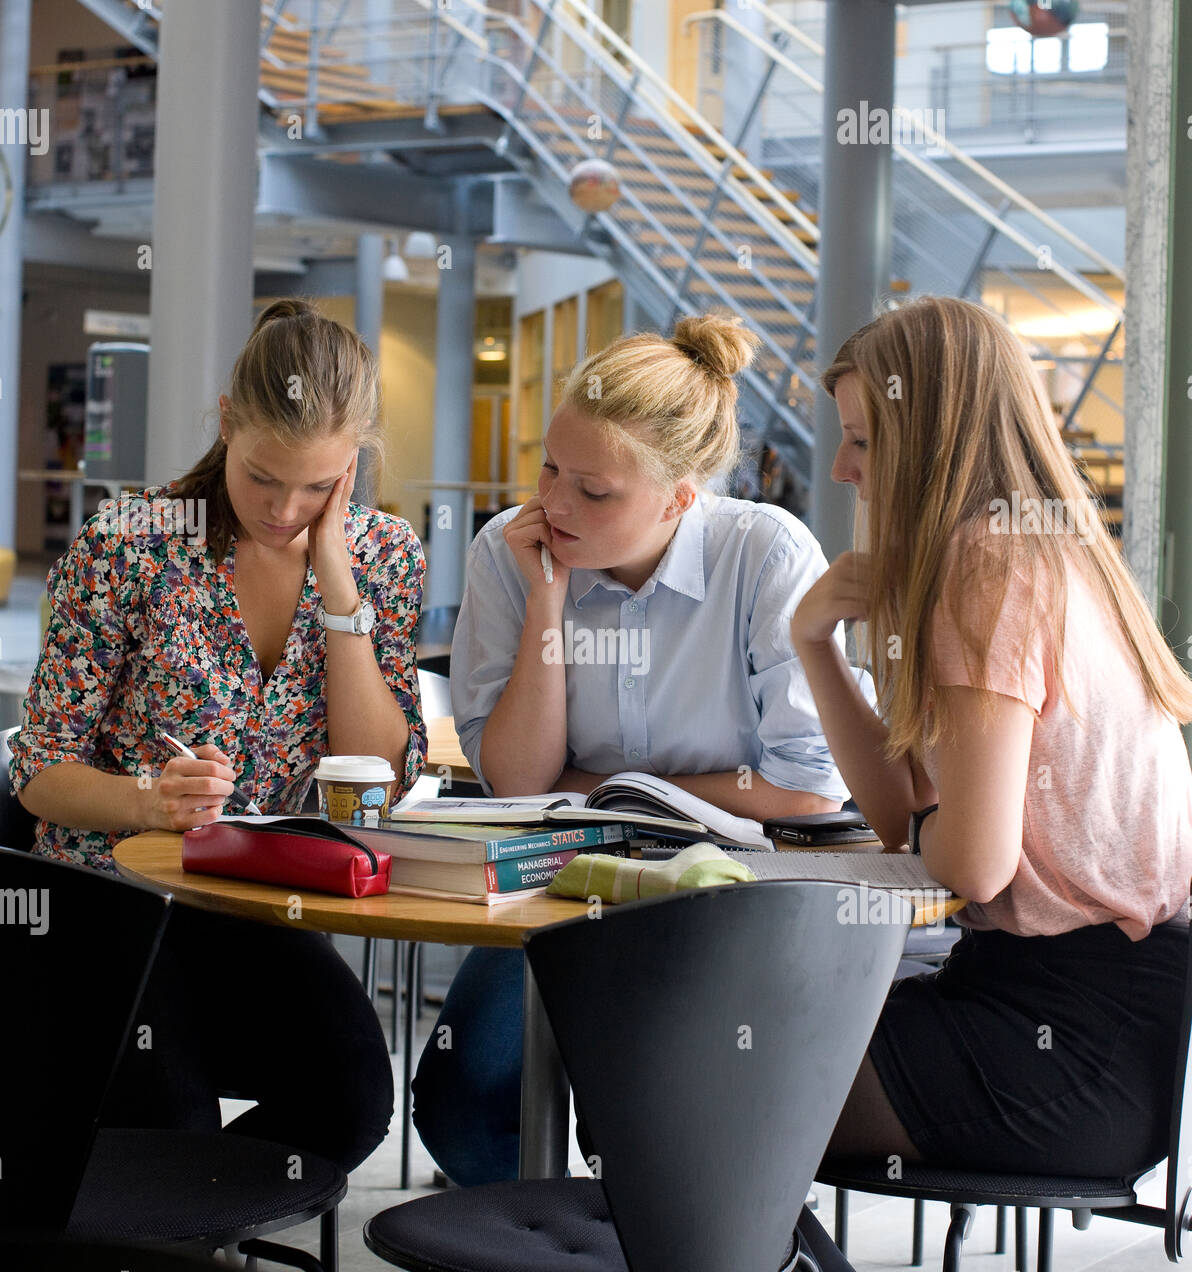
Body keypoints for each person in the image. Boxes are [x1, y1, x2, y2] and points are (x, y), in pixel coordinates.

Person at [413, 313, 871, 1186]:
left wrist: (599, 784)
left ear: (680, 497)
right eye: (551, 468)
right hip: (562, 877)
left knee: (667, 1105)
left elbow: (808, 788)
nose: (554, 504)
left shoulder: (764, 553)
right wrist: (547, 603)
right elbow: (516, 778)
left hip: (727, 893)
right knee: (460, 1096)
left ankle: (635, 1256)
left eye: (595, 492)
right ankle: (554, 1261)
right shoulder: (510, 552)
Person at [10, 298, 427, 1172]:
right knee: (170, 1114)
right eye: (263, 477)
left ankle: (192, 1221)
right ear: (229, 424)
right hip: (105, 898)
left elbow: (379, 771)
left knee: (353, 1095)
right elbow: (40, 771)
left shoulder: (385, 556)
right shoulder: (128, 545)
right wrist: (147, 801)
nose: (284, 509)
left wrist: (340, 590)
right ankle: (161, 1227)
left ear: (355, 461)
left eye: (318, 485)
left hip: (248, 902)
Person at [793, 295, 1192, 1179]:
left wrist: (945, 828)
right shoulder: (1046, 552)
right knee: (699, 1089)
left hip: (1071, 1038)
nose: (841, 467)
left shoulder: (990, 566)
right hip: (1102, 1018)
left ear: (932, 437)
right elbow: (903, 820)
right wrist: (813, 647)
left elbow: (970, 862)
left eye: (864, 438)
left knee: (679, 1092)